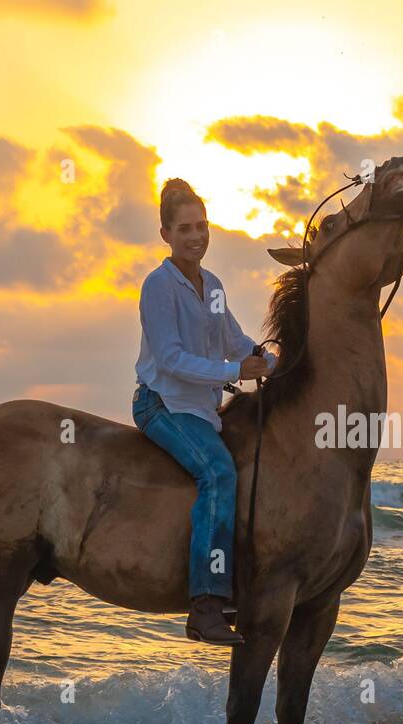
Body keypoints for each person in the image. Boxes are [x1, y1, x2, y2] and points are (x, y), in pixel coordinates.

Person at [133, 178, 274, 646]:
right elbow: (171, 359)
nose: (196, 236)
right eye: (185, 228)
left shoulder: (212, 285)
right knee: (218, 474)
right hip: (163, 403)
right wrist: (235, 369)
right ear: (165, 234)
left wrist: (279, 365)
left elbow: (236, 341)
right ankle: (206, 604)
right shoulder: (159, 286)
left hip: (202, 409)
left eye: (203, 225)